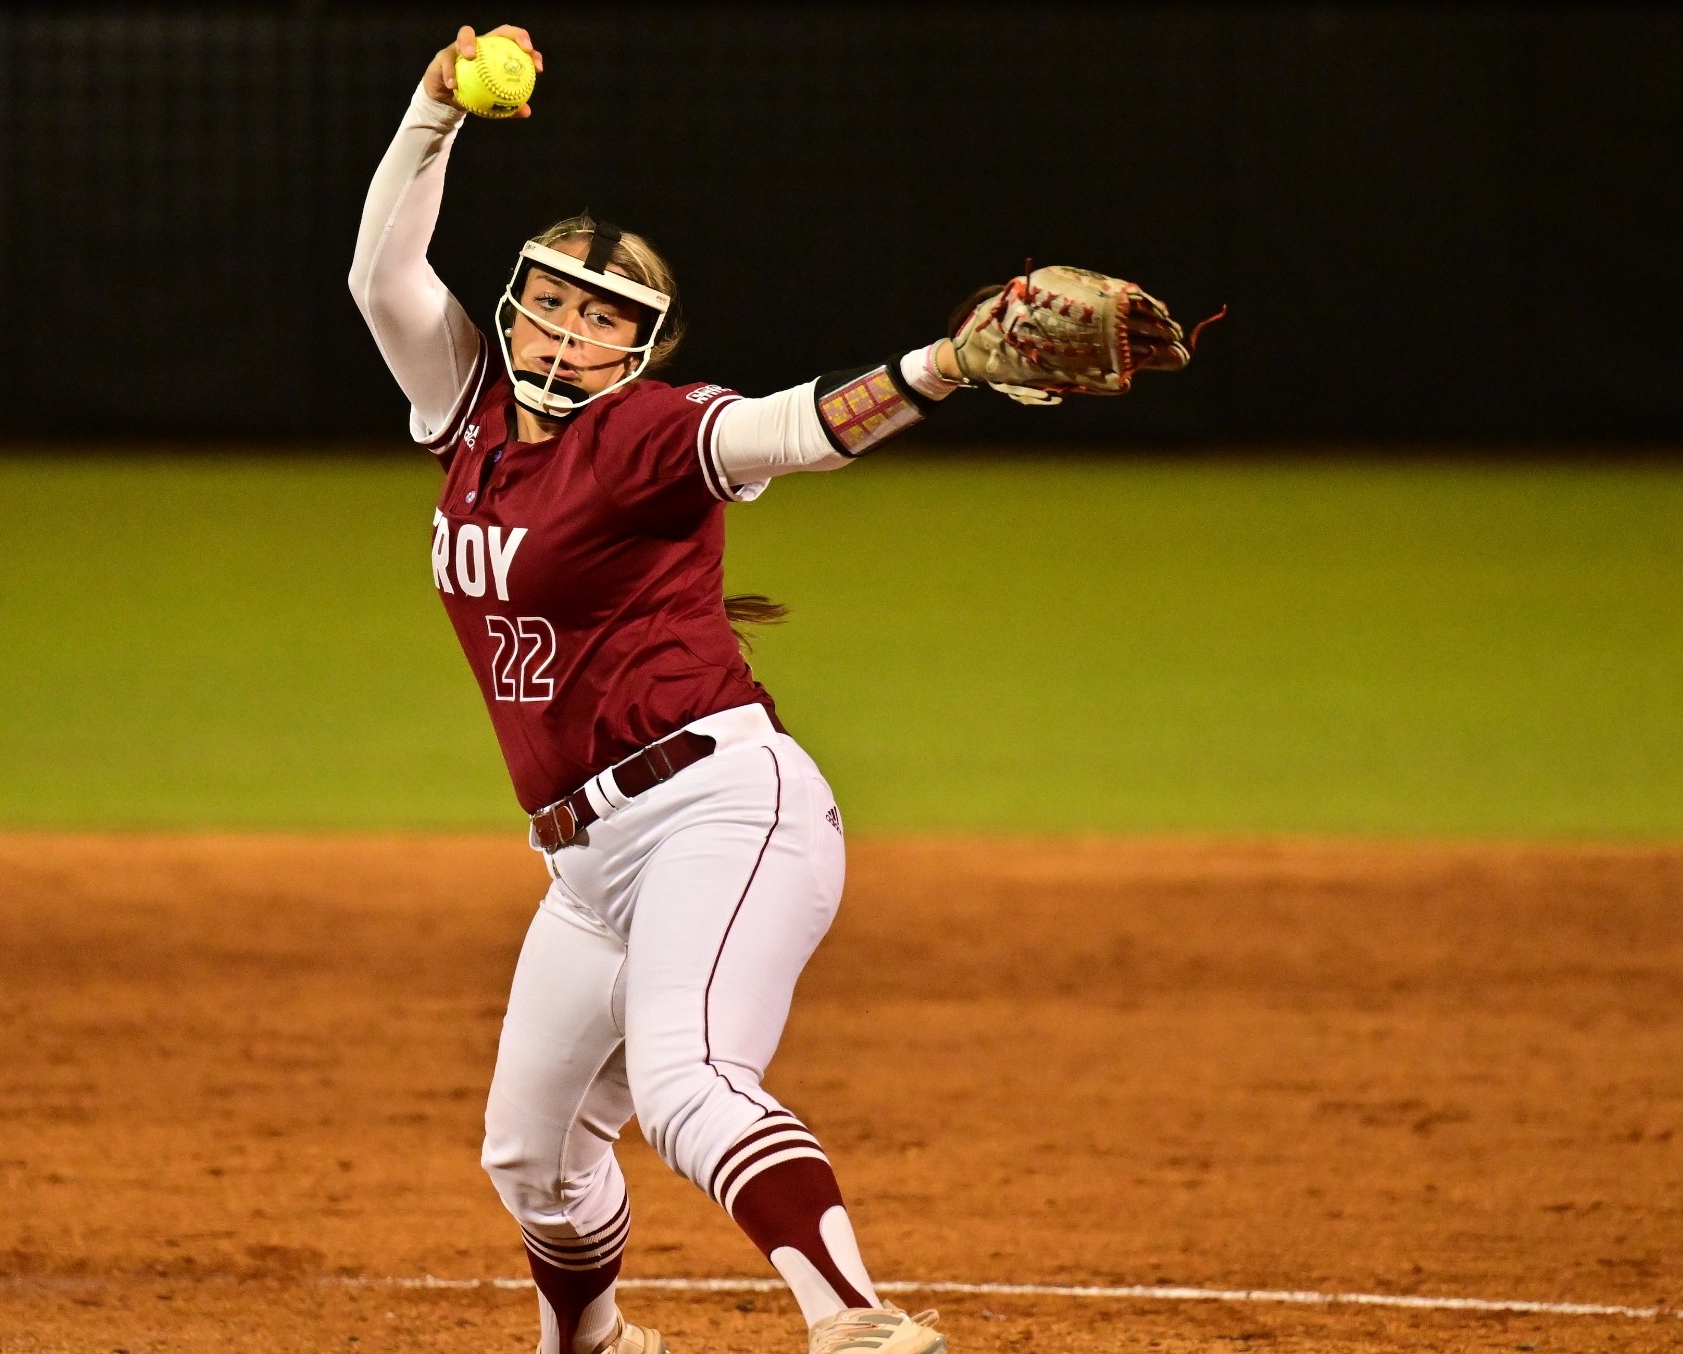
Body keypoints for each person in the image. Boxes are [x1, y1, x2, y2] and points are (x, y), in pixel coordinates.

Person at [347, 24, 1193, 1354]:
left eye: (604, 315)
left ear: (643, 344)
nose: (572, 329)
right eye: (555, 300)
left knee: (688, 1082)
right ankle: (597, 1343)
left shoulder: (644, 436)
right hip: (583, 863)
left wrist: (943, 366)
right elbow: (380, 272)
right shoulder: (461, 414)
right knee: (529, 1157)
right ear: (512, 305)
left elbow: (792, 427)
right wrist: (435, 103)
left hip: (715, 812)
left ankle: (856, 1321)